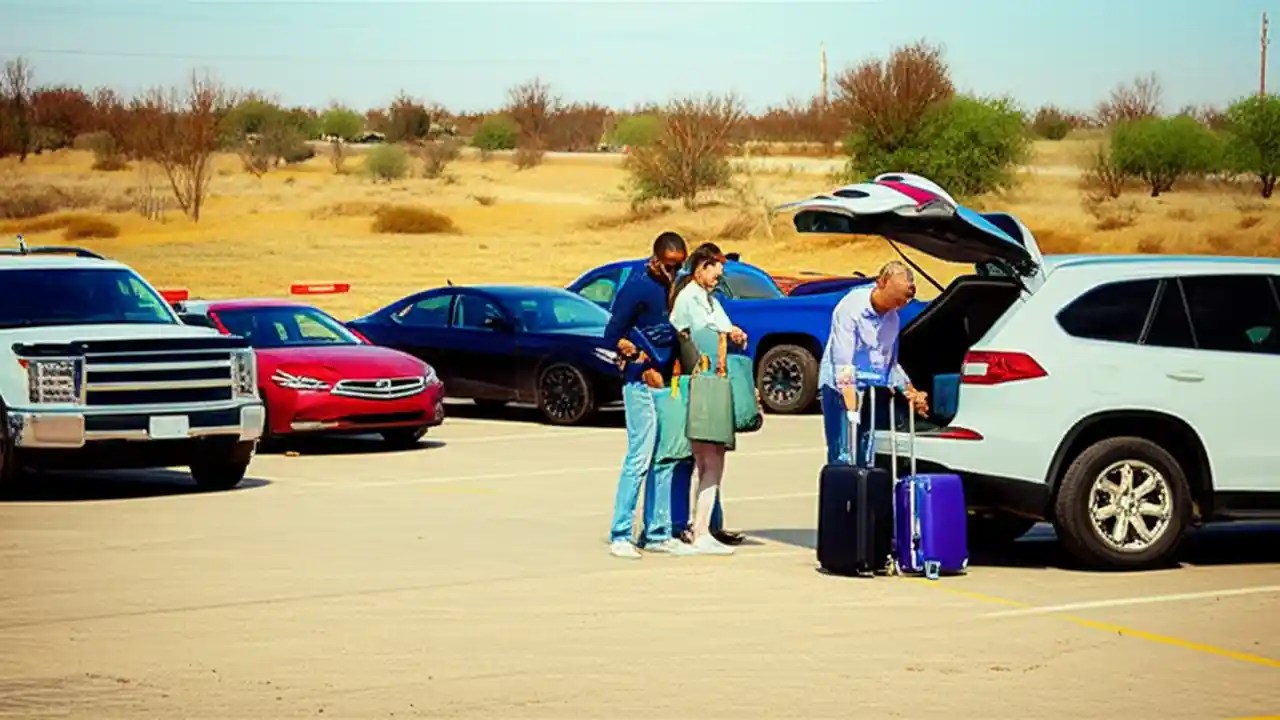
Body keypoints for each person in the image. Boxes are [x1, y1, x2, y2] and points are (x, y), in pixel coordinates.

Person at [604, 231, 698, 559]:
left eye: (680, 265)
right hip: (640, 382)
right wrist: (636, 357)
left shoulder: (676, 288)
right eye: (669, 265)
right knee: (640, 457)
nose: (674, 271)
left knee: (665, 457)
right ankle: (620, 533)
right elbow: (612, 334)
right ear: (656, 259)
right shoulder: (638, 286)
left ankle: (657, 532)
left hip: (667, 382)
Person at [669, 245, 748, 555]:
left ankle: (702, 526)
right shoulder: (690, 298)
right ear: (700, 267)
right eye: (714, 271)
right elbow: (704, 336)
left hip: (713, 382)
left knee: (712, 459)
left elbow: (724, 328)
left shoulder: (708, 298)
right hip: (702, 384)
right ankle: (699, 529)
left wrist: (734, 333)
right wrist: (728, 334)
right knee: (709, 459)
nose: (717, 278)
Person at [819, 260, 929, 468]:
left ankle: (866, 495)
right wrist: (852, 410)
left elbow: (888, 363)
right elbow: (843, 363)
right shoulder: (851, 307)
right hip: (841, 387)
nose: (900, 304)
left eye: (904, 300)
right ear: (881, 282)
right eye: (897, 297)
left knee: (868, 453)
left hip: (871, 390)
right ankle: (843, 496)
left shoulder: (892, 318)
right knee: (844, 454)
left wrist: (910, 390)